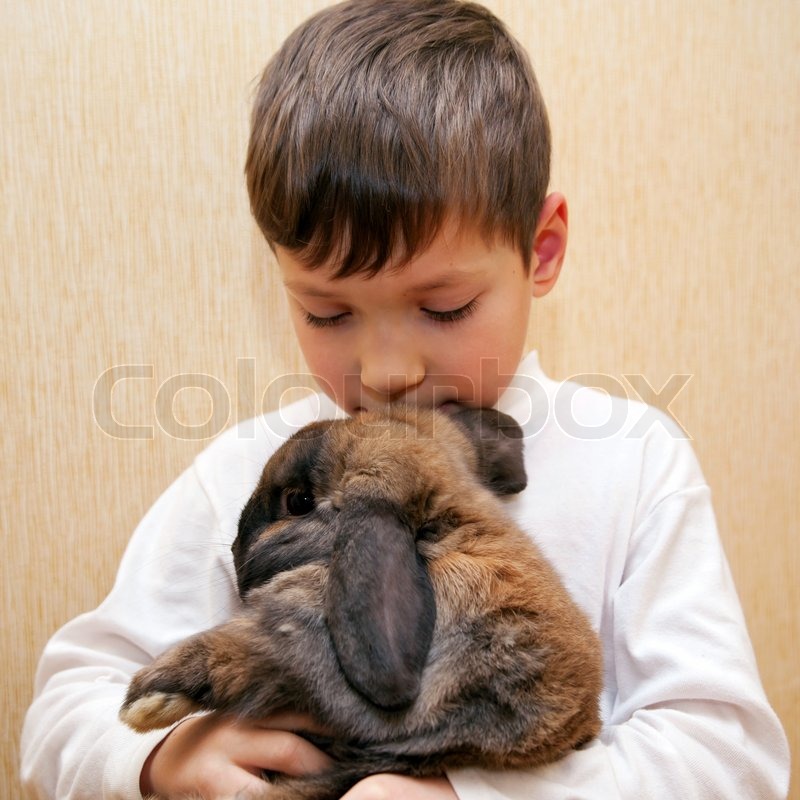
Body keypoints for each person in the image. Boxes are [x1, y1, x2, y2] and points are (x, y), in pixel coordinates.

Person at [21, 1, 790, 798]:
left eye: (444, 307)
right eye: (327, 313)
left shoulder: (634, 464)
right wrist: (159, 761)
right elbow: (65, 709)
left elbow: (730, 759)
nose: (386, 369)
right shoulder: (246, 473)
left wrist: (468, 793)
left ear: (542, 250)